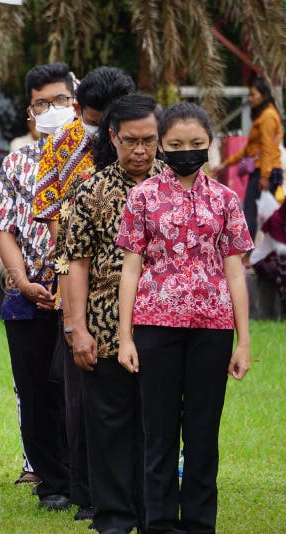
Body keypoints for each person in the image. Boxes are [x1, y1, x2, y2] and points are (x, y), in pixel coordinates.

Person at [116, 102, 253, 533]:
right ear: (161, 145)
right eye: (175, 144)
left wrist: (243, 341)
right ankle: (159, 524)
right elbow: (131, 268)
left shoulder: (227, 200)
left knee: (202, 436)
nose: (186, 151)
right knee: (157, 434)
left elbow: (235, 270)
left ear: (209, 144)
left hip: (213, 331)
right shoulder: (142, 197)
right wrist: (125, 338)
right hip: (154, 327)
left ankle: (198, 524)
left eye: (195, 143)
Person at [32, 66, 135, 519]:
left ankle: (138, 486)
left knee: (140, 393)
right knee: (83, 392)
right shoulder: (61, 145)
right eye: (95, 119)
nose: (104, 130)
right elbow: (49, 210)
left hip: (141, 287)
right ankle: (86, 491)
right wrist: (71, 269)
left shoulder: (146, 144)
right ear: (78, 108)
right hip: (81, 282)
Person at [66, 94, 166, 534]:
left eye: (148, 140)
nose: (140, 151)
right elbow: (74, 261)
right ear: (112, 137)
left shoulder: (175, 185)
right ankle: (112, 516)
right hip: (104, 325)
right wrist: (77, 329)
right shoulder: (91, 189)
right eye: (130, 141)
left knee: (158, 426)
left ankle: (153, 513)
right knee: (108, 427)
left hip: (164, 326)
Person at [0, 63, 75, 514]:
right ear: (30, 113)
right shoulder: (18, 162)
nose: (52, 109)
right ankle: (52, 480)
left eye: (60, 100)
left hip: (82, 294)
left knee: (78, 388)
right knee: (35, 387)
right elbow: (2, 226)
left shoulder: (95, 156)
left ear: (76, 104)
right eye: (42, 103)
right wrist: (21, 281)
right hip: (28, 293)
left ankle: (87, 477)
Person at [212, 78, 284, 238]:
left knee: (251, 213)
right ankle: (261, 254)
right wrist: (226, 164)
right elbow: (250, 150)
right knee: (263, 213)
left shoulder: (267, 117)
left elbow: (267, 149)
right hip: (268, 170)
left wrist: (264, 177)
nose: (250, 98)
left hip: (265, 172)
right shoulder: (265, 116)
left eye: (253, 94)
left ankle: (249, 255)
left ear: (264, 95)